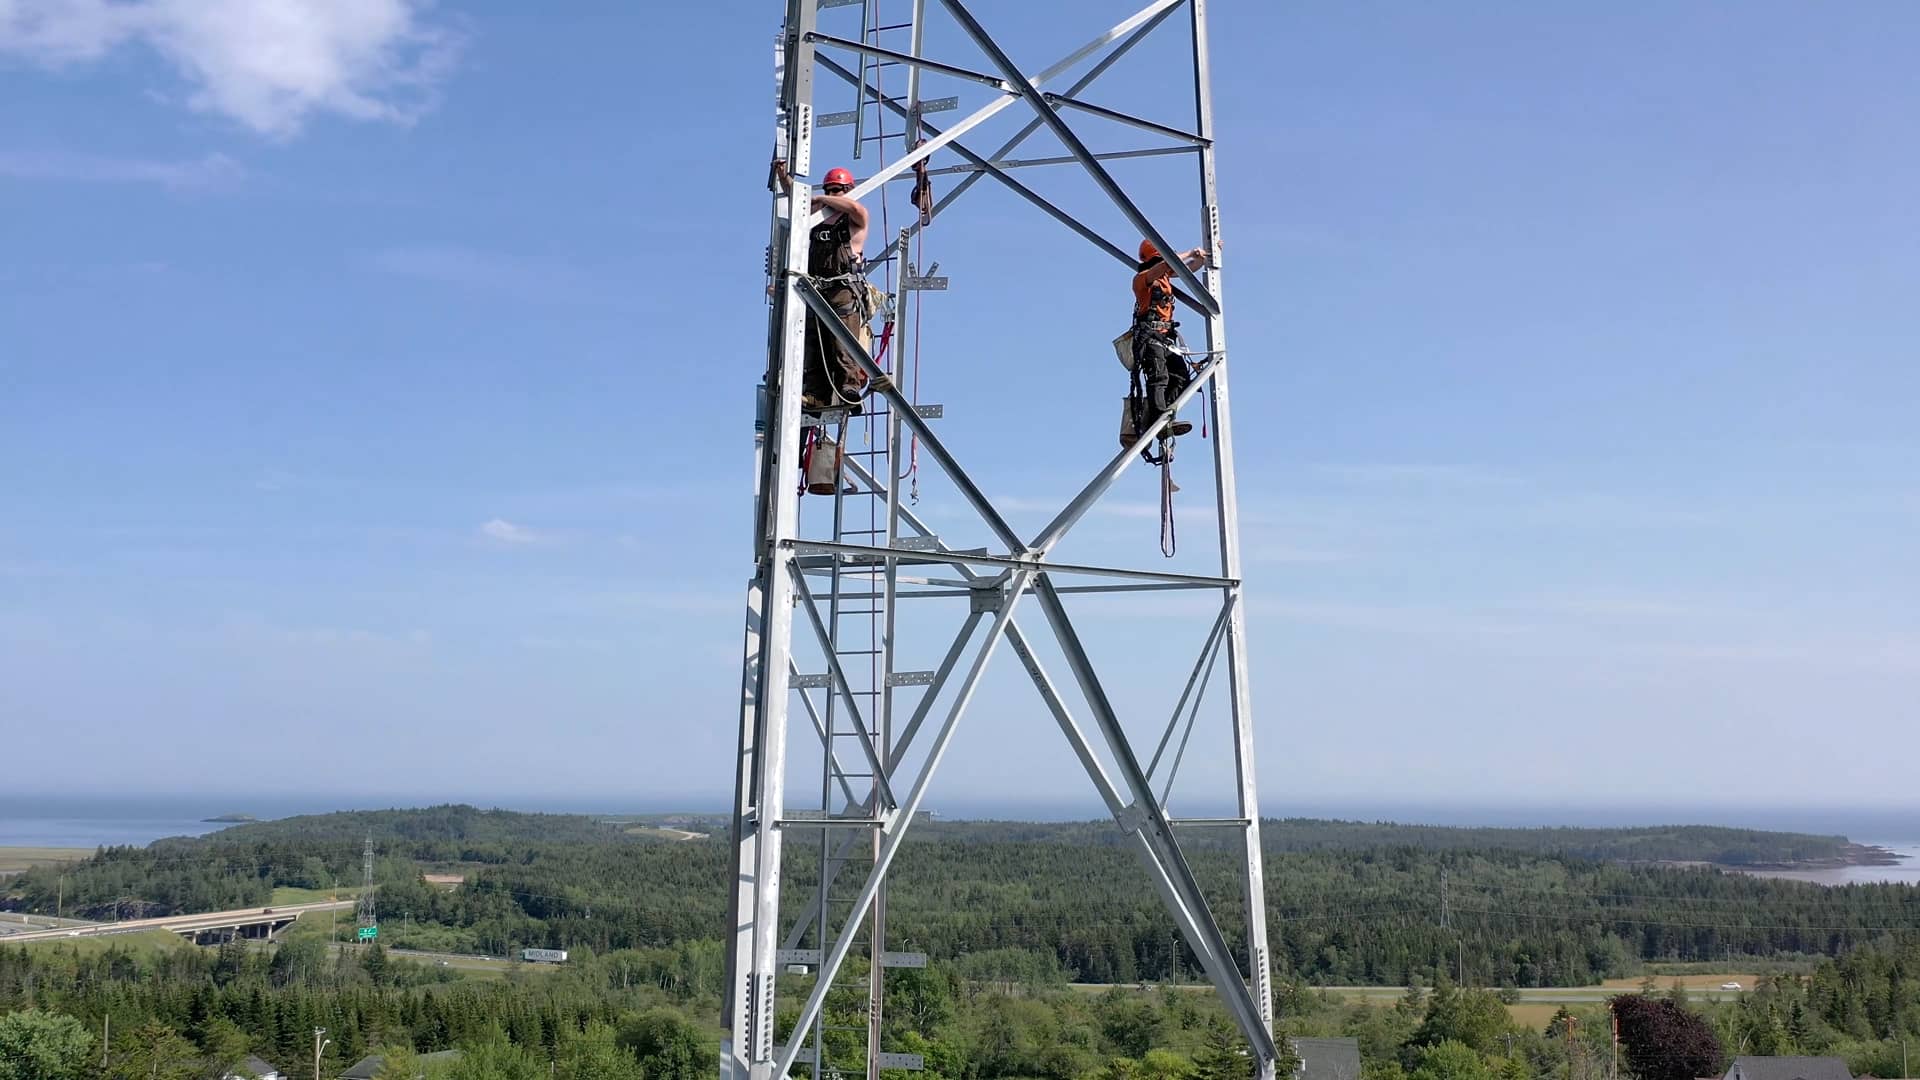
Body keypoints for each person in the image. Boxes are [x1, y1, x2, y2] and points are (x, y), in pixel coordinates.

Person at [772, 163, 873, 411]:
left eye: (837, 190)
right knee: (813, 343)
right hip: (815, 291)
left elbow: (856, 208)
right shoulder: (816, 220)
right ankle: (817, 395)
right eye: (829, 190)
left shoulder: (854, 219)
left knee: (842, 342)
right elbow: (797, 199)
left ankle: (848, 389)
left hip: (842, 291)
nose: (832, 194)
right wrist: (784, 179)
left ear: (849, 190)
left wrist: (820, 198)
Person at [1128, 239, 1213, 443]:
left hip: (1165, 339)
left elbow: (1187, 269)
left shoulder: (1164, 276)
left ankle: (1162, 415)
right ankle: (1159, 420)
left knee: (1180, 376)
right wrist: (1190, 252)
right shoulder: (1142, 278)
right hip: (1150, 338)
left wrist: (1203, 258)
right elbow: (1168, 264)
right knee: (1159, 377)